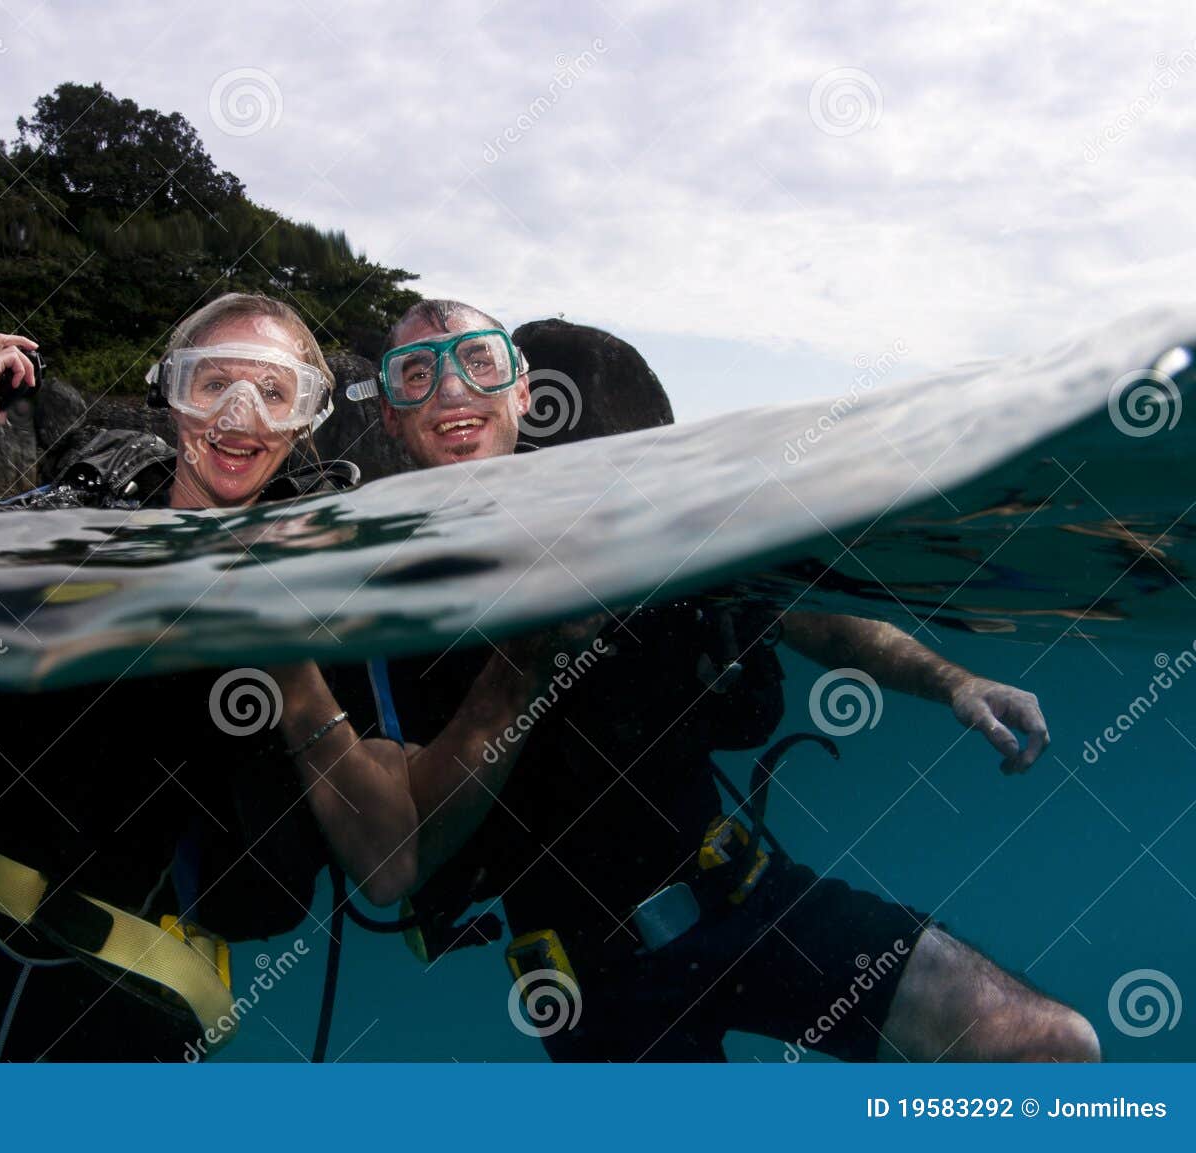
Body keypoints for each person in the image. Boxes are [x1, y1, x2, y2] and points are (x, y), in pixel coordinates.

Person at [0, 293, 543, 1062]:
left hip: (135, 1019)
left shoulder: (325, 587)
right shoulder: (77, 524)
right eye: (214, 384)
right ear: (172, 397)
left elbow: (390, 864)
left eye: (274, 393)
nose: (240, 415)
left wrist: (287, 658)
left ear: (307, 419)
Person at [340, 297, 1100, 1062]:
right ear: (393, 416)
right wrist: (523, 665)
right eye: (414, 374)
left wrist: (953, 682)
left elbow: (813, 617)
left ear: (523, 391)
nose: (450, 390)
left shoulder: (641, 523)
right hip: (592, 983)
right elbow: (398, 858)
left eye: (478, 362)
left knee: (1051, 1045)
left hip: (748, 891)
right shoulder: (373, 603)